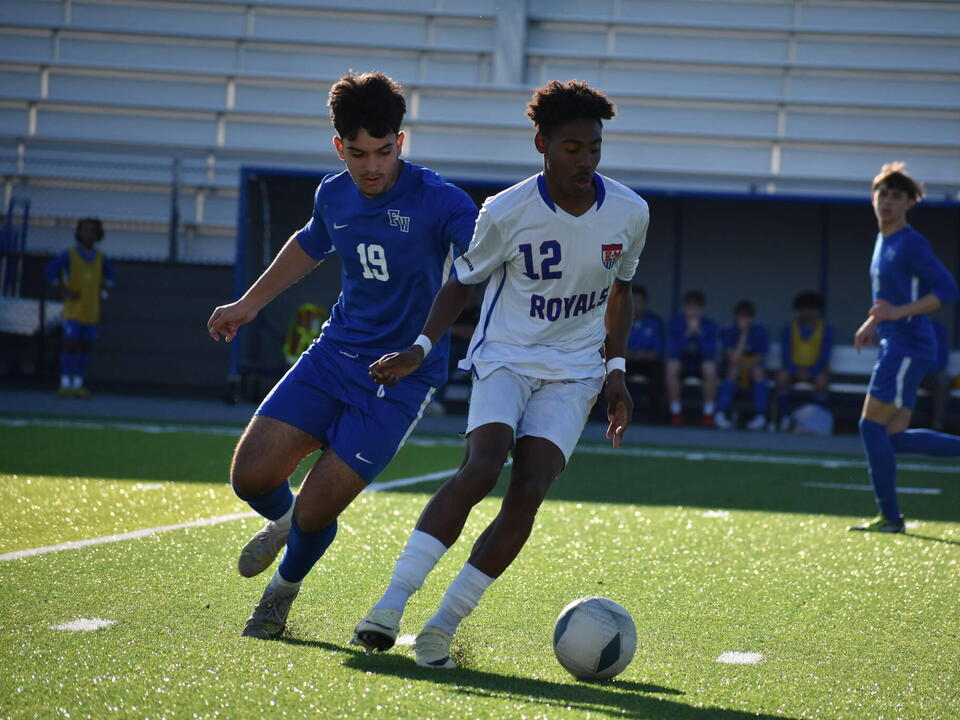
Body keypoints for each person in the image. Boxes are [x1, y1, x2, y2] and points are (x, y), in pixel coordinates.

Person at [352, 80, 648, 668]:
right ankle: (388, 606)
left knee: (529, 491)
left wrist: (615, 371)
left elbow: (621, 292)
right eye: (571, 148)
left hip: (574, 374)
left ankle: (441, 628)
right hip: (505, 357)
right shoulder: (507, 210)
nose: (584, 160)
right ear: (541, 143)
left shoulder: (631, 211)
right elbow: (461, 282)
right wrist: (418, 346)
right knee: (481, 466)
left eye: (593, 148)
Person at [206, 71, 478, 638]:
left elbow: (479, 264)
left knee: (316, 510)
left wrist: (424, 345)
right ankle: (284, 524)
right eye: (358, 153)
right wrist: (248, 304)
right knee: (250, 476)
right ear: (339, 148)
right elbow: (311, 242)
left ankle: (280, 594)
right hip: (333, 353)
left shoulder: (441, 201)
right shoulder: (333, 192)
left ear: (400, 143)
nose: (371, 166)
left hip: (400, 378)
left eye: (383, 151)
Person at [850, 162, 960, 533]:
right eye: (884, 194)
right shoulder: (884, 239)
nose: (888, 201)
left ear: (910, 203)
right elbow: (887, 296)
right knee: (890, 438)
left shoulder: (911, 242)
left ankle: (891, 519)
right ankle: (891, 517)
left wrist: (897, 313)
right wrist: (875, 320)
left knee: (870, 427)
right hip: (898, 342)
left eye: (898, 196)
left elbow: (947, 290)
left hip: (908, 345)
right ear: (873, 197)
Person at [43, 217, 115, 397]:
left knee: (85, 347)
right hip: (73, 309)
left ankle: (78, 383)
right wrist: (63, 290)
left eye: (92, 231)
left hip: (91, 310)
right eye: (85, 230)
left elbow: (111, 277)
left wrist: (103, 293)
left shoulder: (100, 257)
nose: (89, 234)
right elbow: (50, 270)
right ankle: (65, 383)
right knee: (70, 345)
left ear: (98, 234)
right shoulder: (70, 254)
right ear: (78, 233)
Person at [774, 291, 833, 429]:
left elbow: (825, 355)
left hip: (815, 371)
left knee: (822, 381)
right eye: (804, 309)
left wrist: (811, 371)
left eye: (811, 309)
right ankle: (784, 417)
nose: (808, 312)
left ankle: (817, 418)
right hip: (793, 369)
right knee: (781, 378)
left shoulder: (825, 329)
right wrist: (795, 370)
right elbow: (785, 354)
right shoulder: (790, 328)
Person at [665, 290, 718, 426]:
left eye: (697, 307)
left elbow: (710, 353)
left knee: (710, 368)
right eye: (690, 307)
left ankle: (708, 413)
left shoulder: (709, 325)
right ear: (684, 308)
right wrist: (687, 334)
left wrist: (699, 334)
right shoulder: (675, 323)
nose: (693, 311)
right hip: (682, 362)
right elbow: (673, 351)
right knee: (671, 367)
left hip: (700, 363)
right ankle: (675, 412)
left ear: (703, 309)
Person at [715, 299, 769, 430]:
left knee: (758, 372)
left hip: (751, 366)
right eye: (740, 315)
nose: (743, 319)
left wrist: (747, 364)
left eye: (747, 316)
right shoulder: (728, 330)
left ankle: (761, 415)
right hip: (731, 366)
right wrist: (743, 335)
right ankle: (720, 413)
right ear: (735, 316)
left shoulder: (760, 330)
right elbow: (732, 358)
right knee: (733, 370)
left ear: (752, 317)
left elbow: (761, 355)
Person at [625, 285, 665, 419]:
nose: (636, 306)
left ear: (645, 303)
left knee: (659, 371)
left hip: (647, 363)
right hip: (625, 361)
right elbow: (611, 344)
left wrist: (644, 355)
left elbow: (658, 350)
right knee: (611, 369)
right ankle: (607, 414)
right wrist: (626, 354)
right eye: (632, 302)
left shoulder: (654, 322)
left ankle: (656, 416)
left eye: (639, 302)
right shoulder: (618, 319)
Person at [920, 320, 951, 431]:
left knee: (943, 381)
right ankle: (898, 423)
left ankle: (937, 426)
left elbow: (942, 357)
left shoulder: (936, 328)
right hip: (908, 369)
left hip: (930, 372)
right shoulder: (905, 325)